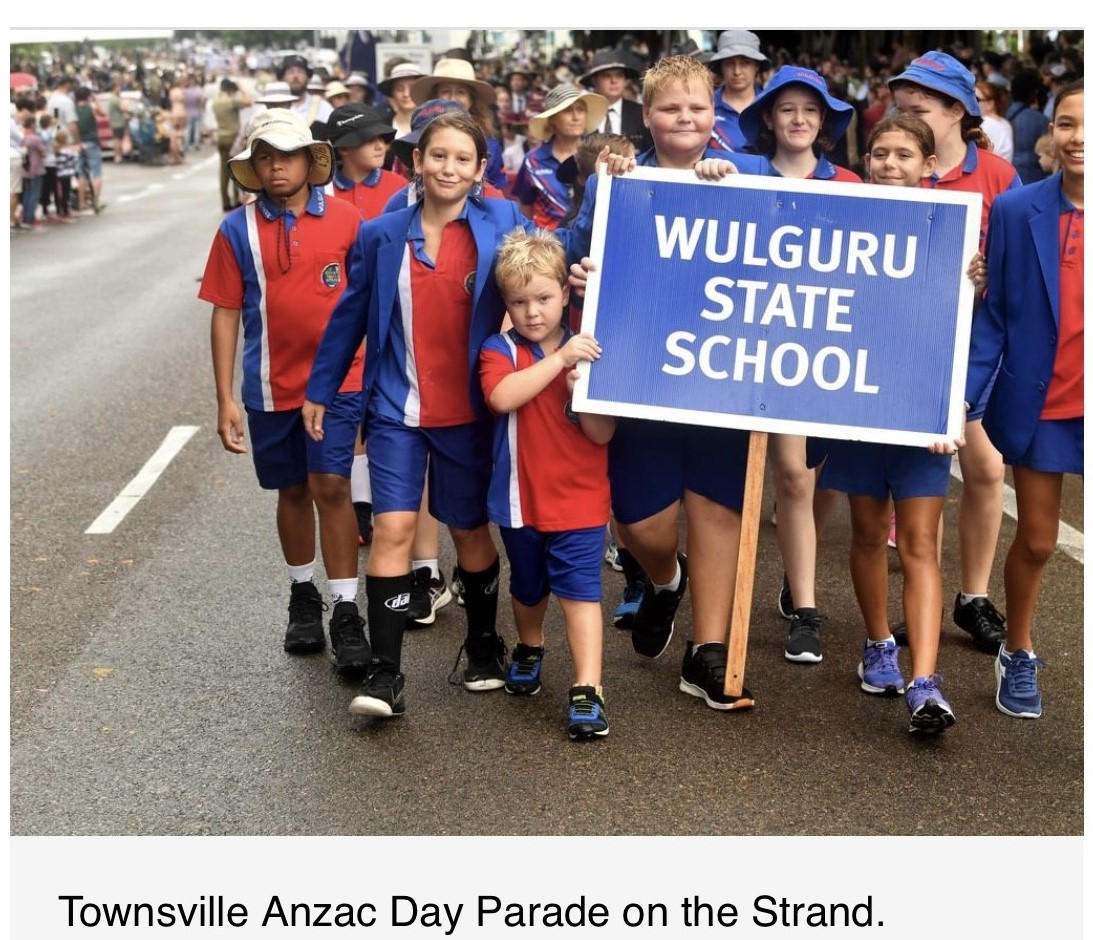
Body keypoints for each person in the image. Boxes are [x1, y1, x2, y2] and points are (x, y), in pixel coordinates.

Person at [302, 111, 578, 719]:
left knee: (468, 530)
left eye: (462, 159)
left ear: (480, 171)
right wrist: (321, 387)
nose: (448, 168)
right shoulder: (380, 234)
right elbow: (351, 314)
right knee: (393, 530)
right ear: (417, 162)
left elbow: (560, 251)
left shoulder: (502, 221)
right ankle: (386, 673)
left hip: (468, 413)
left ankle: (483, 643)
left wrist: (615, 183)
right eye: (438, 156)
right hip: (395, 411)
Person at [568, 54, 771, 711]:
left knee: (716, 509)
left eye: (697, 107)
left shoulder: (751, 172)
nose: (686, 118)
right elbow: (574, 249)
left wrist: (730, 188)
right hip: (640, 374)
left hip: (722, 376)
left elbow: (802, 245)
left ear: (715, 114)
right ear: (646, 115)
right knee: (641, 521)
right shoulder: (617, 178)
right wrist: (578, 268)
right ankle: (663, 579)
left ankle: (707, 652)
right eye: (670, 108)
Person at [198, 109, 370, 682]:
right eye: (265, 157)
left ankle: (345, 608)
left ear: (309, 161)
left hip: (339, 382)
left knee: (332, 485)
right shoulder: (235, 229)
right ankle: (303, 595)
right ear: (254, 166)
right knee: (292, 489)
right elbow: (226, 313)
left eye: (287, 156)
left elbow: (369, 301)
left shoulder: (347, 219)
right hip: (269, 387)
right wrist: (224, 397)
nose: (276, 166)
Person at [821, 112, 978, 735]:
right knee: (865, 532)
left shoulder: (953, 229)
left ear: (929, 165)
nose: (890, 164)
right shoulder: (846, 220)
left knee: (918, 543)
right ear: (867, 161)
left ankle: (926, 681)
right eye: (880, 154)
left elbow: (967, 324)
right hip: (858, 406)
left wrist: (977, 282)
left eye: (904, 155)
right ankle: (879, 643)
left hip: (921, 413)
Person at [888, 50, 1021, 653]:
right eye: (901, 105)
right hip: (910, 341)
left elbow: (1019, 262)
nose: (905, 115)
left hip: (977, 343)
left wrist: (992, 273)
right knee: (924, 478)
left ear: (957, 110)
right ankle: (926, 601)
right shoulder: (896, 161)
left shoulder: (998, 174)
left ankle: (973, 596)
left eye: (919, 107)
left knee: (986, 467)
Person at [965, 79, 1083, 720]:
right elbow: (996, 316)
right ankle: (1018, 649)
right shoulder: (1016, 209)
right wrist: (960, 400)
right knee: (1037, 540)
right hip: (1046, 404)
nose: (1078, 138)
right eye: (1066, 123)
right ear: (1049, 132)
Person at [736, 64, 860, 664]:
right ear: (769, 117)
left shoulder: (851, 183)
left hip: (827, 348)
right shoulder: (741, 173)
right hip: (753, 343)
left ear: (825, 121)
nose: (799, 119)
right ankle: (806, 609)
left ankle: (797, 577)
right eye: (787, 108)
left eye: (811, 110)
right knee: (792, 473)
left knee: (811, 476)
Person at [479, 229, 616, 740]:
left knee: (581, 593)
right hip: (522, 501)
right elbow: (501, 398)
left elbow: (602, 434)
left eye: (543, 298)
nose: (532, 312)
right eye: (519, 302)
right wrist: (559, 362)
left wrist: (585, 395)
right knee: (528, 587)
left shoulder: (590, 348)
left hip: (581, 501)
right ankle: (531, 645)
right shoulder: (499, 349)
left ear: (564, 292)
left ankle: (588, 689)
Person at [514, 83, 606, 231]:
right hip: (547, 242)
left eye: (580, 109)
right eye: (567, 110)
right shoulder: (533, 161)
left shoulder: (599, 156)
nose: (576, 117)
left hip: (588, 239)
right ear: (552, 119)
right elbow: (525, 211)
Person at [411, 57, 506, 191]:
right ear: (434, 96)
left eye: (460, 92)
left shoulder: (489, 144)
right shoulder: (416, 139)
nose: (452, 98)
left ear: (471, 99)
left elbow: (497, 189)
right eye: (445, 91)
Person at [578, 48, 652, 153]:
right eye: (607, 76)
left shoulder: (641, 113)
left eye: (619, 75)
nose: (614, 81)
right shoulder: (583, 114)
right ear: (594, 80)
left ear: (625, 81)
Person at [707, 29, 768, 152]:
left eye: (745, 63)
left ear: (757, 66)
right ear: (721, 66)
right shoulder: (706, 106)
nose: (737, 71)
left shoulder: (770, 105)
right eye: (729, 63)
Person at [212, 78, 252, 212]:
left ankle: (225, 201)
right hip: (233, 137)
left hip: (221, 136)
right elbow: (249, 102)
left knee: (223, 171)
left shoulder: (215, 102)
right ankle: (237, 200)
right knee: (236, 167)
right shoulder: (231, 101)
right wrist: (241, 89)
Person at [1006, 67, 1050, 185]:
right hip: (1035, 176)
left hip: (1007, 173)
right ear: (1032, 93)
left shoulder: (1001, 116)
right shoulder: (1041, 120)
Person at [280, 54, 333, 126]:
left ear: (308, 78)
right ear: (283, 78)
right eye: (290, 72)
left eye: (300, 72)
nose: (295, 76)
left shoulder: (323, 107)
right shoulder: (271, 107)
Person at [376, 62, 424, 138]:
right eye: (399, 89)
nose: (406, 94)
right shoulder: (382, 128)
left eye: (412, 87)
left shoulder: (432, 125)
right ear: (392, 93)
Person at [18, 114, 47, 229]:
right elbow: (43, 152)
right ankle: (30, 218)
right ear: (32, 124)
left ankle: (25, 217)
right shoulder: (35, 138)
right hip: (35, 167)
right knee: (34, 194)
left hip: (25, 168)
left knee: (27, 193)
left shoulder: (22, 137)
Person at [975, 79, 1013, 163]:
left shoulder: (983, 124)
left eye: (977, 99)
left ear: (990, 104)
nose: (972, 102)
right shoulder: (1006, 124)